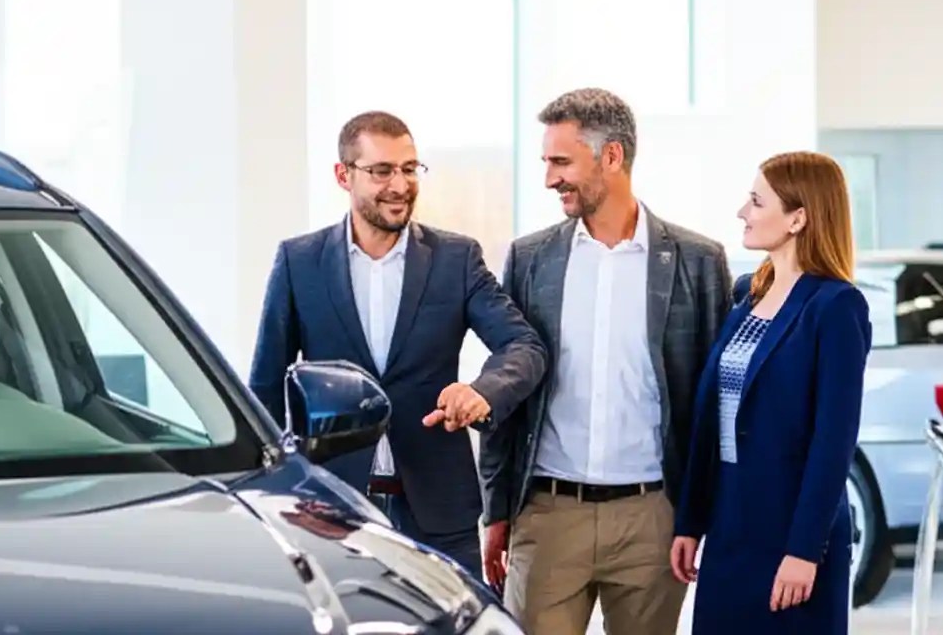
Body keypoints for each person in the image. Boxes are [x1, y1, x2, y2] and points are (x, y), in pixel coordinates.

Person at [249, 110, 547, 578]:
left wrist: (481, 391)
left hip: (439, 512)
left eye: (409, 169)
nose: (400, 184)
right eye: (382, 170)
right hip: (330, 511)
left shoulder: (456, 259)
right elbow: (265, 389)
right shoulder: (298, 262)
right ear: (343, 175)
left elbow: (524, 346)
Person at [479, 87, 733, 634]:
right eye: (547, 162)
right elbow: (508, 385)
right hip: (547, 515)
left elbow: (713, 403)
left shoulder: (699, 262)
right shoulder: (529, 259)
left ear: (612, 157)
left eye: (561, 162)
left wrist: (701, 514)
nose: (550, 179)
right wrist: (494, 510)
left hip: (653, 520)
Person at [670, 151, 872, 634]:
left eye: (757, 201)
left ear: (798, 217)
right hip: (730, 526)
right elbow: (713, 418)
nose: (743, 211)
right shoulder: (748, 294)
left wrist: (805, 550)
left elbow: (834, 441)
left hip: (792, 534)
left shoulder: (837, 306)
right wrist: (690, 521)